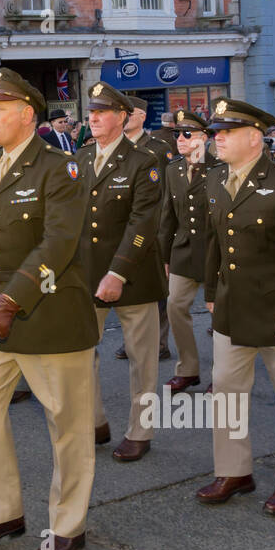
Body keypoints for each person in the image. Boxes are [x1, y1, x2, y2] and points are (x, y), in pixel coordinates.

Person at [0, 68, 100, 550]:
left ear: (26, 114)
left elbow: (58, 243)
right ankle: (3, 512)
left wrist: (9, 299)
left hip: (48, 312)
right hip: (0, 319)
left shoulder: (61, 167)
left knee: (68, 423)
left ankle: (68, 523)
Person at [197, 98, 275, 517]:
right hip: (232, 307)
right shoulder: (216, 180)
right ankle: (234, 471)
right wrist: (212, 293)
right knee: (227, 394)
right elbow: (215, 240)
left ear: (254, 138)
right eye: (216, 133)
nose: (217, 140)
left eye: (225, 133)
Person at [77, 81, 166, 459]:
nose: (93, 118)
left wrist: (118, 272)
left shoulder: (143, 161)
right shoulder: (80, 159)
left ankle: (140, 431)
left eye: (102, 112)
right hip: (85, 275)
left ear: (122, 117)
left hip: (133, 275)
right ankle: (94, 422)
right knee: (81, 354)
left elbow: (143, 222)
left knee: (142, 359)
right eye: (91, 111)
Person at [158, 109, 222, 394]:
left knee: (219, 314)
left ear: (204, 138)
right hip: (183, 249)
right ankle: (188, 368)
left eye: (187, 134)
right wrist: (164, 256)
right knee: (175, 306)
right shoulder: (173, 169)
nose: (180, 139)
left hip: (215, 250)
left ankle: (222, 376)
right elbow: (167, 215)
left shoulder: (220, 167)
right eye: (176, 134)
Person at [117, 94, 174, 364]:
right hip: (121, 227)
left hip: (152, 227)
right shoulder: (115, 146)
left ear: (141, 116)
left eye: (130, 112)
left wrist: (163, 233)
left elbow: (165, 193)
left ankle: (159, 342)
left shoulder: (158, 148)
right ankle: (131, 339)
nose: (125, 117)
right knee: (126, 285)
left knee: (155, 289)